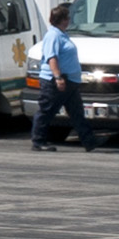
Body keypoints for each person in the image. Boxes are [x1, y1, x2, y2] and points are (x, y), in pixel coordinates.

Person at [31, 14, 97, 152]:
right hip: (56, 81)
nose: (69, 21)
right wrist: (58, 77)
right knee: (47, 110)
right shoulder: (53, 35)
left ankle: (89, 142)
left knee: (77, 112)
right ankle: (38, 141)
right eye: (66, 18)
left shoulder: (63, 34)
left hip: (71, 81)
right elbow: (52, 58)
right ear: (61, 20)